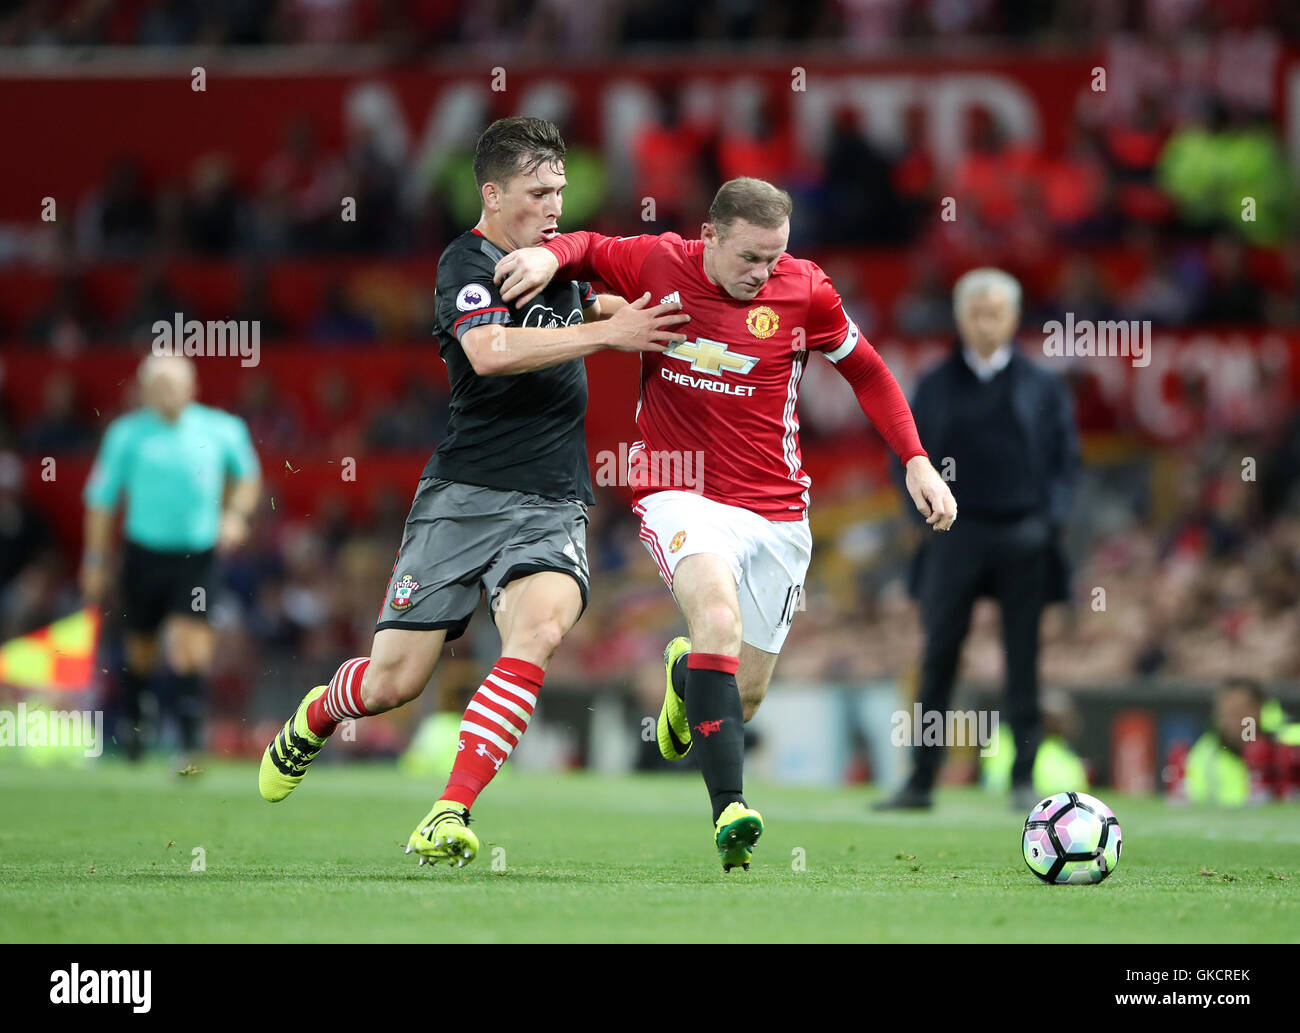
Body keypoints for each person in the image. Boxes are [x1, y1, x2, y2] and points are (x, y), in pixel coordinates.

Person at [256, 116, 688, 868]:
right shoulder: (465, 261)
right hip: (464, 495)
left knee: (539, 632)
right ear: (492, 194)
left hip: (552, 497)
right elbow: (489, 351)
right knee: (395, 681)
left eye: (560, 190)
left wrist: (677, 325)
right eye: (538, 192)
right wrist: (605, 338)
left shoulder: (558, 261)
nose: (555, 206)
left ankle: (449, 809)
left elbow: (602, 310)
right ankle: (319, 712)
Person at [493, 177, 956, 870]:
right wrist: (549, 258)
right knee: (716, 618)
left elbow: (868, 371)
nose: (761, 273)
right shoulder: (659, 261)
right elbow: (588, 245)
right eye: (748, 258)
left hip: (776, 510)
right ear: (709, 236)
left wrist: (916, 460)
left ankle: (686, 687)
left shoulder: (806, 291)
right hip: (681, 490)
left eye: (773, 258)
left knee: (745, 692)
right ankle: (729, 808)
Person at [876, 268, 1080, 813]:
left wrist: (1049, 522)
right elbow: (906, 455)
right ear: (961, 318)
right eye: (977, 312)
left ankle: (1022, 778)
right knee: (939, 657)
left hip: (1023, 536)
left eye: (997, 312)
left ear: (1013, 318)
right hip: (952, 536)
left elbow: (1066, 462)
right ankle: (921, 780)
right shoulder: (933, 384)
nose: (986, 323)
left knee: (1024, 661)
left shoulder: (1042, 386)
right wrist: (920, 516)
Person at [81, 354, 262, 763]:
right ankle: (134, 724)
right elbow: (101, 500)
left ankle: (189, 738)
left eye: (175, 384)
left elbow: (248, 476)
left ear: (192, 387)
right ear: (144, 391)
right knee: (140, 647)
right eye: (159, 386)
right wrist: (94, 559)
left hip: (195, 555)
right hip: (142, 553)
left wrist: (234, 515)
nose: (168, 393)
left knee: (190, 645)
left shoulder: (221, 429)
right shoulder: (125, 435)